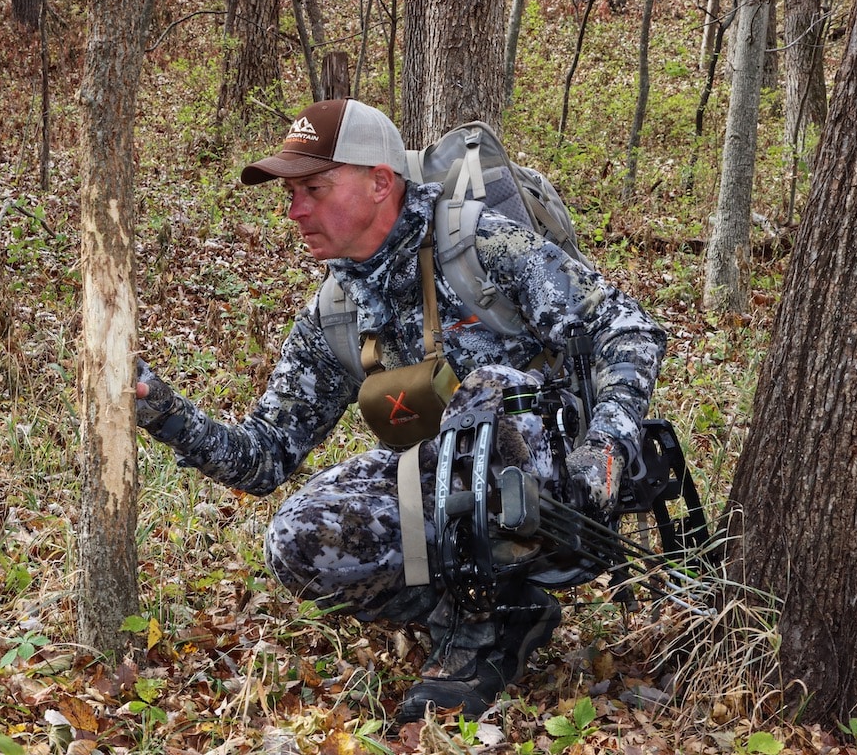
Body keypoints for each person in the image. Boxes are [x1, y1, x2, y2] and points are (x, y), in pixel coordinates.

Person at [135, 98, 666, 722]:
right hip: (445, 488)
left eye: (314, 188)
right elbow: (263, 456)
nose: (295, 210)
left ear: (379, 182)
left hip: (562, 489)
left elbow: (628, 329)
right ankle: (491, 615)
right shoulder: (336, 312)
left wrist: (604, 447)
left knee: (485, 395)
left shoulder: (482, 247)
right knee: (297, 536)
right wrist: (158, 408)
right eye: (291, 193)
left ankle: (490, 618)